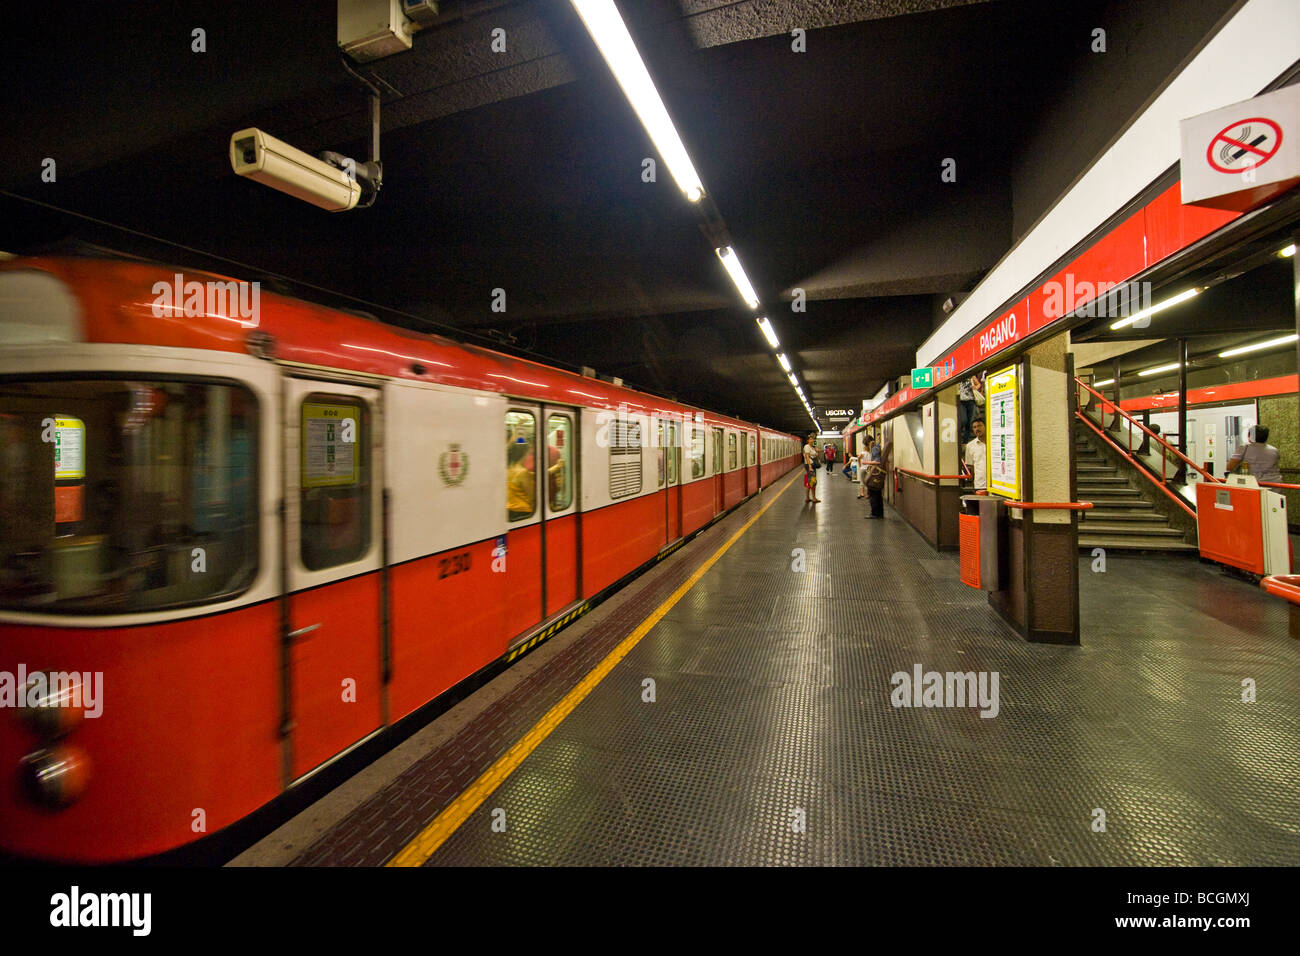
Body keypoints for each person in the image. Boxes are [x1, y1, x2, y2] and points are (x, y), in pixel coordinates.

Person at [507, 438, 535, 519]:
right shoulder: (523, 472)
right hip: (523, 511)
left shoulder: (508, 469)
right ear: (524, 453)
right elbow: (532, 497)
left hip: (510, 510)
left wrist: (555, 468)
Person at [863, 437, 885, 518]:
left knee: (873, 494)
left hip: (875, 473)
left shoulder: (874, 448)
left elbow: (877, 461)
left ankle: (874, 513)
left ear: (868, 443)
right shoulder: (877, 447)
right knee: (878, 494)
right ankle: (880, 513)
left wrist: (866, 462)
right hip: (878, 473)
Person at [964, 417, 987, 493]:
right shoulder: (970, 446)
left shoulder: (994, 442)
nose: (977, 429)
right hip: (980, 484)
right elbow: (971, 466)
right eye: (974, 427)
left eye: (980, 426)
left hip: (996, 484)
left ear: (985, 426)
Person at [802, 433, 820, 504]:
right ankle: (814, 498)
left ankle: (807, 498)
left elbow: (815, 455)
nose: (812, 440)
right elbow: (807, 456)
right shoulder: (807, 446)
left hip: (812, 465)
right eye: (810, 439)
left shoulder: (812, 447)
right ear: (807, 440)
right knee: (813, 481)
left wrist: (816, 451)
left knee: (809, 481)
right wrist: (809, 466)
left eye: (812, 439)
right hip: (810, 465)